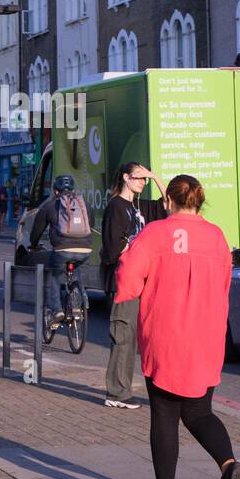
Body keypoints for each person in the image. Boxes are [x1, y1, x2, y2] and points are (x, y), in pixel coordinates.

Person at [114, 174, 240, 479]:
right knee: (199, 412)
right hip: (206, 335)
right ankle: (229, 465)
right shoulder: (216, 237)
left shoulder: (155, 233)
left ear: (167, 202)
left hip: (166, 336)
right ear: (198, 202)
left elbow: (128, 279)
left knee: (163, 415)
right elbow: (223, 284)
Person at [99, 163, 166, 409]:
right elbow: (113, 248)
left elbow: (169, 205)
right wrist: (140, 250)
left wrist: (155, 176)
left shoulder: (139, 206)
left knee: (134, 338)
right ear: (125, 178)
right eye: (138, 178)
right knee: (123, 334)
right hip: (123, 280)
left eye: (145, 180)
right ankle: (117, 392)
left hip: (139, 279)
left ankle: (121, 389)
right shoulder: (116, 207)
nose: (142, 182)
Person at [28, 174, 93, 319]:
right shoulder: (83, 205)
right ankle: (77, 305)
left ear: (55, 191)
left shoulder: (50, 205)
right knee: (76, 272)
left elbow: (37, 229)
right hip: (85, 248)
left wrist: (33, 244)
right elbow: (91, 225)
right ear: (72, 190)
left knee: (55, 277)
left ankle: (57, 310)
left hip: (62, 250)